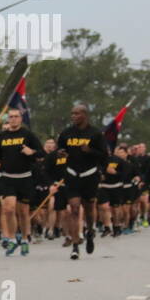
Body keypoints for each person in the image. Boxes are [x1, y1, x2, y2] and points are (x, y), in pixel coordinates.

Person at [0, 107, 42, 256]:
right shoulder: (2, 137)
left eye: (16, 116)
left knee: (23, 212)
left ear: (21, 119)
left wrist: (31, 152)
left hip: (24, 178)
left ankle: (24, 239)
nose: (13, 119)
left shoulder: (28, 135)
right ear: (8, 119)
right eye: (10, 117)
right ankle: (11, 238)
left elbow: (41, 153)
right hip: (7, 178)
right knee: (8, 209)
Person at [56, 104, 107, 259]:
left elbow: (104, 155)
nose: (73, 116)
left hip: (90, 175)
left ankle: (90, 231)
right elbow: (60, 150)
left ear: (84, 115)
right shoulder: (66, 133)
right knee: (74, 208)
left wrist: (90, 151)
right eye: (72, 113)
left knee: (89, 209)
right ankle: (75, 245)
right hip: (72, 174)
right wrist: (61, 154)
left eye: (76, 114)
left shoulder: (95, 133)